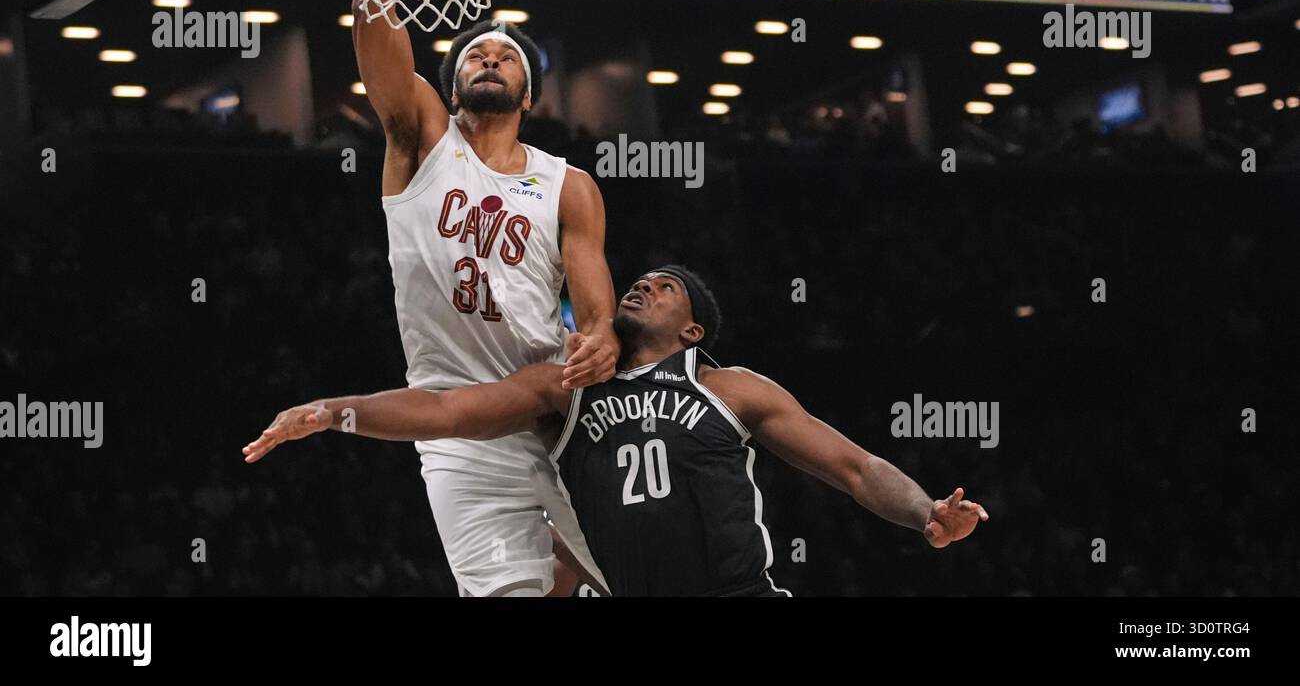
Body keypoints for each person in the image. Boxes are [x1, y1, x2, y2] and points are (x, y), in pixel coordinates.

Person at [245, 267, 990, 596]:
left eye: (666, 287)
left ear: (692, 327)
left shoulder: (731, 388)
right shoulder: (563, 390)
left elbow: (854, 467)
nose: (644, 285)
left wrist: (926, 513)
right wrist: (332, 411)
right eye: (642, 279)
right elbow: (444, 413)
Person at [347, 0, 620, 596]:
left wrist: (599, 338)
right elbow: (375, 24)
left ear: (528, 92)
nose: (490, 57)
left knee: (641, 578)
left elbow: (595, 311)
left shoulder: (571, 184)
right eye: (475, 54)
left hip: (555, 413)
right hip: (455, 426)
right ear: (448, 86)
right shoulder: (420, 141)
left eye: (506, 55)